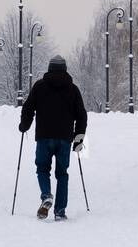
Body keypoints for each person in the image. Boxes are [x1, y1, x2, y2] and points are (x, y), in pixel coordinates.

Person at [19, 54, 88, 221]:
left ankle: (46, 195)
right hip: (64, 138)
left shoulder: (39, 86)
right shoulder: (73, 89)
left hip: (44, 136)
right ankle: (60, 211)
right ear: (65, 69)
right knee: (62, 174)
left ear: (49, 68)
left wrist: (24, 126)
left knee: (42, 169)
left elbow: (28, 108)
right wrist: (78, 140)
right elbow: (82, 116)